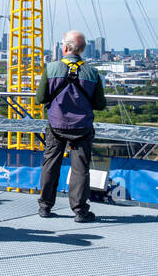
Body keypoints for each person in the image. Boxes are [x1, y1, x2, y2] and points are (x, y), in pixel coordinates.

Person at [35, 29, 108, 222]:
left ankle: (45, 206)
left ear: (65, 47)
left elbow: (40, 98)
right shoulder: (92, 73)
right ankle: (80, 211)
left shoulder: (51, 69)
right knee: (80, 169)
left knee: (51, 164)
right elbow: (100, 104)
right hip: (82, 127)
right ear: (82, 50)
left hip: (57, 125)